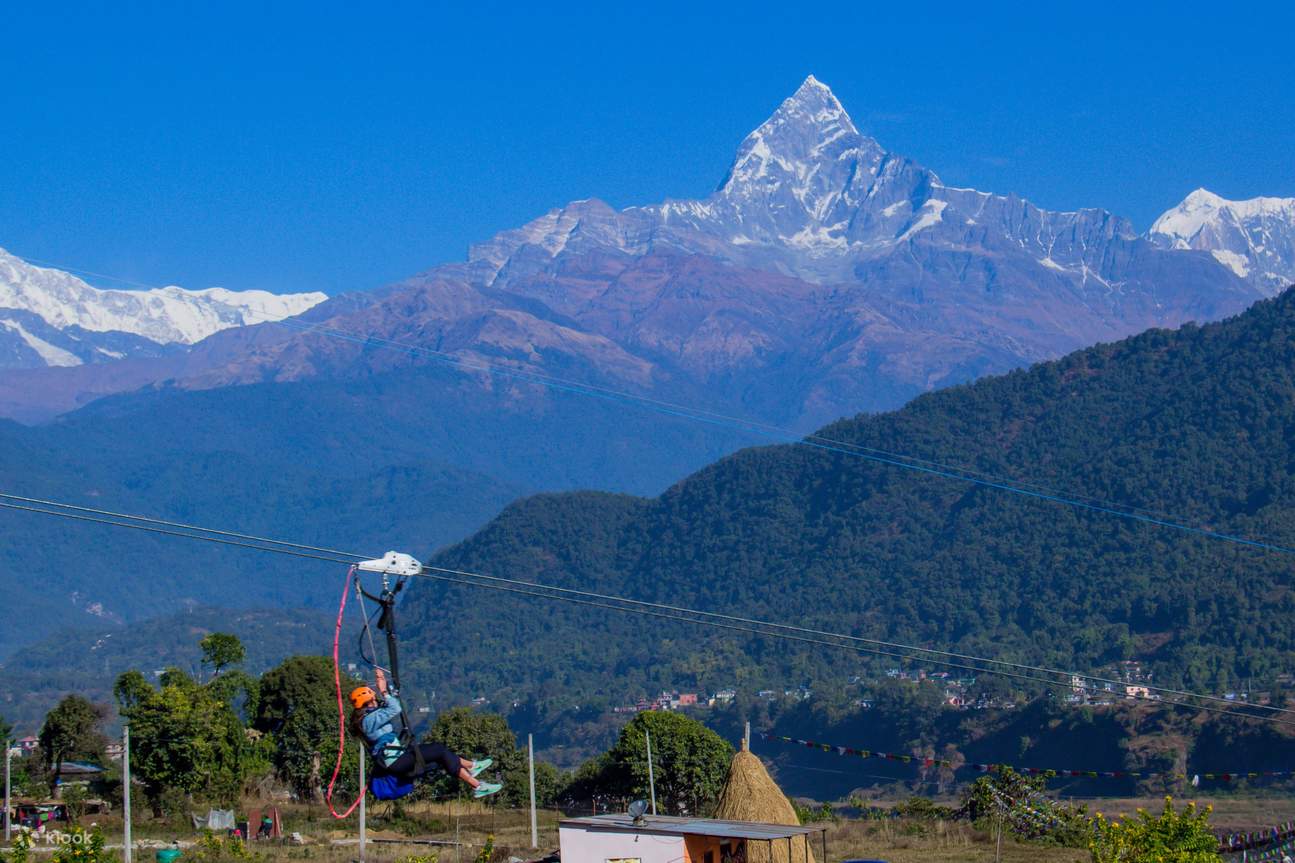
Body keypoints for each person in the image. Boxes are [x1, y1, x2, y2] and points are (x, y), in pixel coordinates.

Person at [350, 669, 501, 799]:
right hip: (395, 761)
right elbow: (395, 709)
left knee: (443, 757)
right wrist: (383, 691)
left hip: (398, 757)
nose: (377, 701)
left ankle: (477, 784)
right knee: (438, 749)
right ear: (368, 703)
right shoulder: (368, 720)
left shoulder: (370, 717)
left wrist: (387, 689)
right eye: (374, 700)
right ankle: (473, 769)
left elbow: (392, 705)